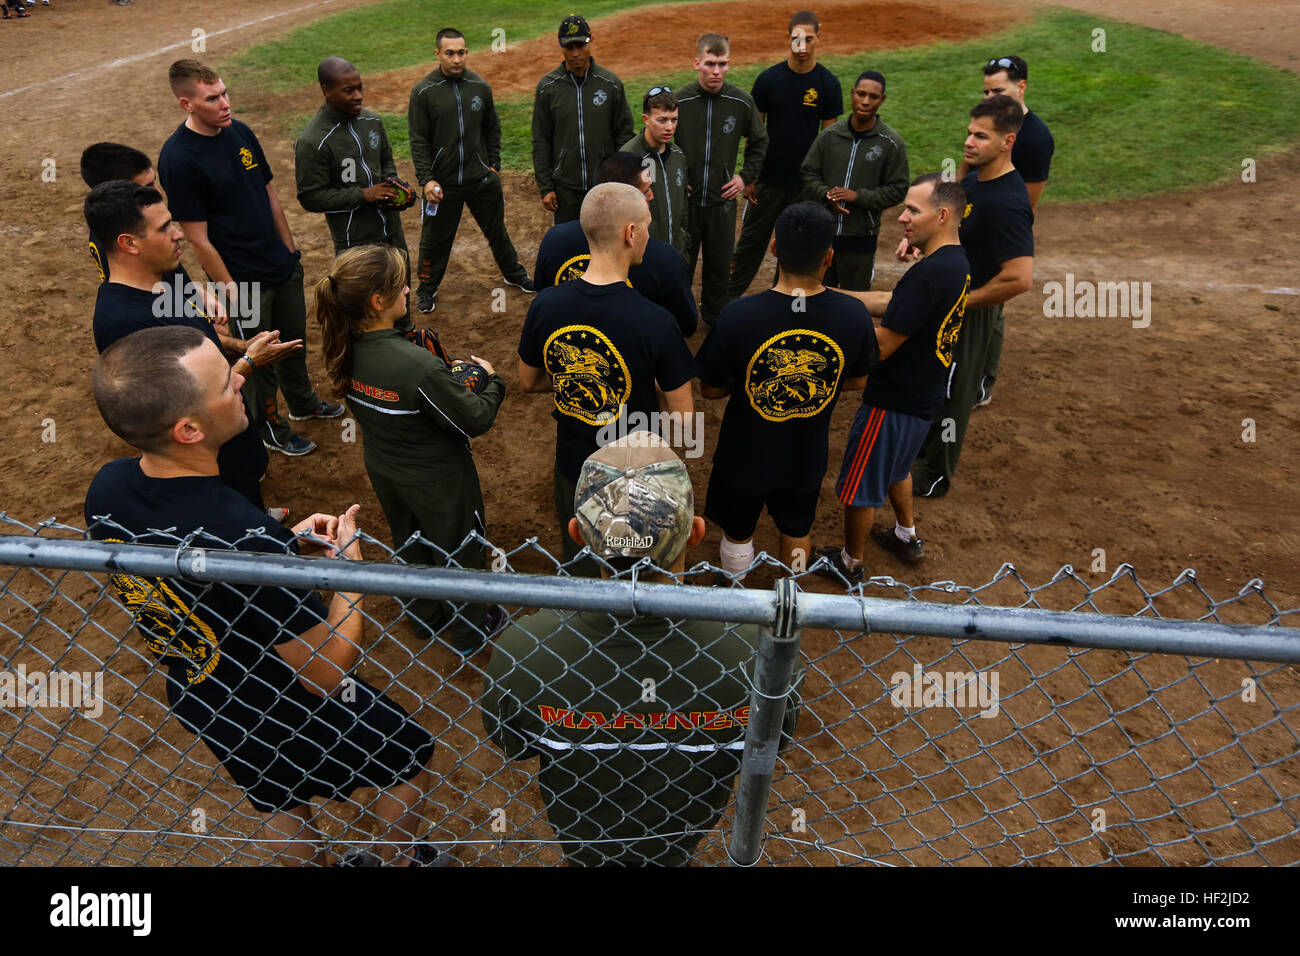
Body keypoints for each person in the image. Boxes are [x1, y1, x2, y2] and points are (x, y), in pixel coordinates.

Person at [85, 325, 446, 866]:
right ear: (188, 429)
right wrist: (348, 572)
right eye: (227, 384)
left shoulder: (107, 487)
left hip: (202, 691)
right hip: (283, 703)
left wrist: (276, 537)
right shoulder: (243, 537)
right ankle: (398, 859)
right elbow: (323, 672)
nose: (240, 379)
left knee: (278, 797)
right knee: (410, 756)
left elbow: (190, 538)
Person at [481, 433, 803, 866]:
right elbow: (770, 743)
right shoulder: (760, 651)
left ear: (577, 532)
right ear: (696, 532)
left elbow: (514, 743)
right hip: (682, 836)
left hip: (583, 842)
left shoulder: (524, 648)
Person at [315, 244, 506, 653]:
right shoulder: (417, 365)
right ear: (378, 301)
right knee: (461, 550)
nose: (408, 291)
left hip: (385, 468)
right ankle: (471, 632)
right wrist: (491, 380)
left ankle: (424, 619)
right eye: (401, 286)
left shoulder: (344, 345)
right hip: (440, 479)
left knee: (410, 540)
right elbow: (473, 419)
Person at [158, 59, 343, 459]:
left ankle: (303, 402)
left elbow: (270, 195)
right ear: (186, 104)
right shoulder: (178, 158)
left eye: (224, 92)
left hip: (280, 264)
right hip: (241, 280)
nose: (225, 103)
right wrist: (232, 292)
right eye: (212, 98)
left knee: (293, 342)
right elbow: (198, 240)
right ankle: (269, 425)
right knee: (257, 358)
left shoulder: (239, 132)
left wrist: (290, 251)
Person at [84, 180, 301, 512]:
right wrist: (249, 362)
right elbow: (174, 407)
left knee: (249, 497)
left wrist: (237, 344)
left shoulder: (161, 280)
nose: (179, 234)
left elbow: (195, 341)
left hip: (230, 443)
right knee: (239, 532)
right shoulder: (125, 323)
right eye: (165, 228)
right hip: (207, 463)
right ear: (129, 243)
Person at [518, 182, 697, 565]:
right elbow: (683, 420)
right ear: (630, 233)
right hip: (640, 474)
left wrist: (575, 381)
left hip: (576, 466)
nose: (649, 233)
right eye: (647, 225)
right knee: (647, 568)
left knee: (583, 562)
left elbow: (529, 379)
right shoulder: (657, 321)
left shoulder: (546, 305)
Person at [696, 201, 876, 578]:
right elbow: (858, 379)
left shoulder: (738, 315)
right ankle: (792, 594)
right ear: (829, 257)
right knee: (797, 528)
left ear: (773, 248)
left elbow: (710, 390)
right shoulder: (853, 314)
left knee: (738, 528)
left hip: (744, 451)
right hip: (805, 452)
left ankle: (734, 587)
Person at [814, 174, 971, 583]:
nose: (901, 218)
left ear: (942, 216)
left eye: (912, 211)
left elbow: (881, 346)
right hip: (924, 397)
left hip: (892, 403)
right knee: (899, 468)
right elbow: (891, 303)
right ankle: (906, 534)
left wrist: (825, 362)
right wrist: (827, 295)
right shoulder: (954, 262)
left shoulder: (928, 275)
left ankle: (850, 563)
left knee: (858, 485)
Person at [905, 96, 1034, 499]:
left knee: (955, 390)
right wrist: (921, 243)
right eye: (969, 132)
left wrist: (966, 302)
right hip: (955, 296)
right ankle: (921, 455)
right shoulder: (977, 178)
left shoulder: (1008, 203)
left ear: (1007, 141)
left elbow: (1019, 278)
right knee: (934, 378)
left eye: (981, 136)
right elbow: (954, 222)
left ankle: (935, 475)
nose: (969, 141)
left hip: (972, 307)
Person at [407, 29, 534, 315]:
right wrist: (427, 179)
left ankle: (513, 274)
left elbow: (492, 128)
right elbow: (418, 140)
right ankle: (426, 288)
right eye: (450, 53)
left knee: (497, 232)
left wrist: (494, 165)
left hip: (480, 179)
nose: (456, 59)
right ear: (437, 54)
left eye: (461, 52)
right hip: (443, 185)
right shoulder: (424, 92)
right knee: (434, 240)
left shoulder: (480, 87)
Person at [725, 11, 842, 304]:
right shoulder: (768, 80)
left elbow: (827, 142)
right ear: (788, 38)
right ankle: (721, 304)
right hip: (766, 181)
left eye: (808, 39)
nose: (802, 46)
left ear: (818, 37)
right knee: (750, 244)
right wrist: (750, 176)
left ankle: (786, 305)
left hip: (804, 186)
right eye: (796, 39)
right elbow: (755, 130)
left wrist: (821, 186)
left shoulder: (828, 84)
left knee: (796, 249)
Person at [295, 56, 412, 329]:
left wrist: (393, 183)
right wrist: (364, 195)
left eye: (360, 88)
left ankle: (406, 349)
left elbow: (385, 160)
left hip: (392, 233)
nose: (358, 96)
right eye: (349, 91)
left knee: (401, 302)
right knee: (366, 317)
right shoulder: (313, 141)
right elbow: (310, 197)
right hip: (356, 245)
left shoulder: (372, 121)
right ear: (326, 90)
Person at [533, 152, 698, 338]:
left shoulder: (554, 240)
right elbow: (686, 325)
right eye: (645, 191)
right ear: (621, 198)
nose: (652, 196)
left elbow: (543, 294)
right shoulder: (664, 259)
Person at [971, 55, 1054, 409]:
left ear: (1021, 87)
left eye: (999, 90)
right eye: (986, 91)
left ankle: (982, 381)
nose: (991, 98)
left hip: (1001, 230)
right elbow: (967, 173)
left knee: (993, 305)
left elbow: (1027, 205)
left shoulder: (1034, 139)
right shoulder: (990, 123)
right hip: (977, 215)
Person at [675, 33, 768, 328]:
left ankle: (715, 322)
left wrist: (745, 178)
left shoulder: (740, 102)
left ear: (729, 64)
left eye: (723, 64)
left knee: (718, 269)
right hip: (685, 204)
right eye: (710, 64)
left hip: (722, 205)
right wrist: (674, 181)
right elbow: (659, 144)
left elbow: (760, 141)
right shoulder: (679, 101)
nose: (716, 71)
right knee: (681, 267)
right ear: (696, 63)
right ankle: (681, 322)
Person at [800, 70, 909, 291]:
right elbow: (808, 173)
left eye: (873, 97)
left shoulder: (891, 143)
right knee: (817, 297)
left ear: (882, 100)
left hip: (861, 239)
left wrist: (858, 196)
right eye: (861, 94)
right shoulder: (829, 136)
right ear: (852, 94)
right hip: (823, 235)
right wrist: (826, 194)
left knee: (855, 302)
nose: (866, 101)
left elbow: (898, 189)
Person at [531, 14, 634, 224]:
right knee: (571, 250)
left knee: (606, 247)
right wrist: (546, 187)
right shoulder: (548, 88)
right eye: (569, 47)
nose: (575, 53)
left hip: (604, 186)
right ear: (560, 46)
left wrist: (624, 181)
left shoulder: (611, 84)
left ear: (591, 40)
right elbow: (541, 139)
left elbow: (624, 135)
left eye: (581, 45)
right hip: (565, 189)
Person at [620, 86, 689, 258]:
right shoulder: (630, 157)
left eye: (674, 120)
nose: (669, 127)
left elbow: (683, 205)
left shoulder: (678, 155)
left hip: (676, 251)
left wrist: (683, 239)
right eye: (662, 120)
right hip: (644, 255)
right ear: (646, 119)